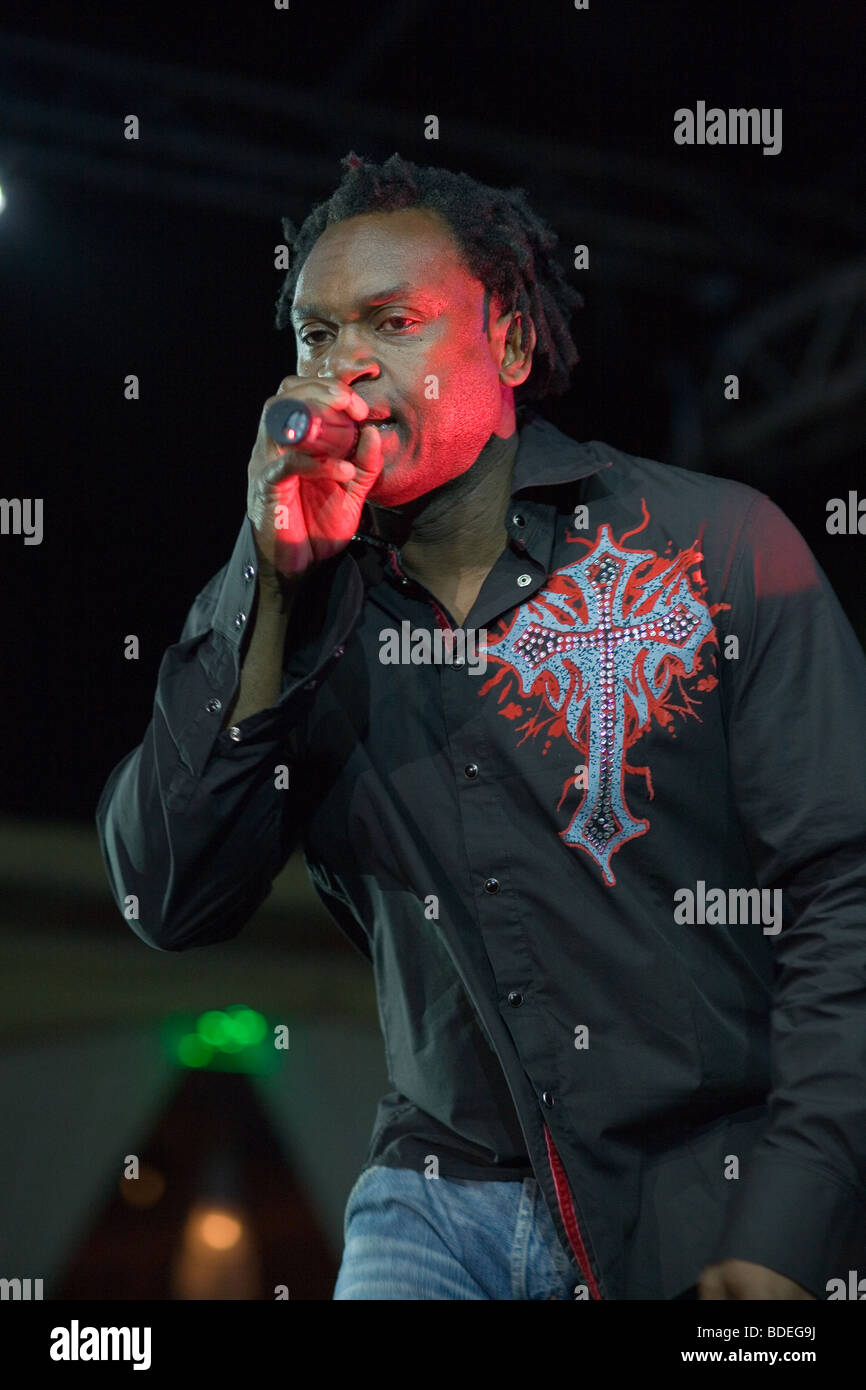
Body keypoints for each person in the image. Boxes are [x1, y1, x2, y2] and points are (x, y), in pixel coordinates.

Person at [96, 151, 866, 1301]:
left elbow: (843, 896)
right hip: (431, 1200)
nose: (345, 363)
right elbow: (163, 895)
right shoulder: (311, 612)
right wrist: (267, 582)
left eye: (391, 322)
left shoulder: (716, 548)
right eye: (313, 336)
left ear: (506, 344)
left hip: (697, 1194)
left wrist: (785, 1225)